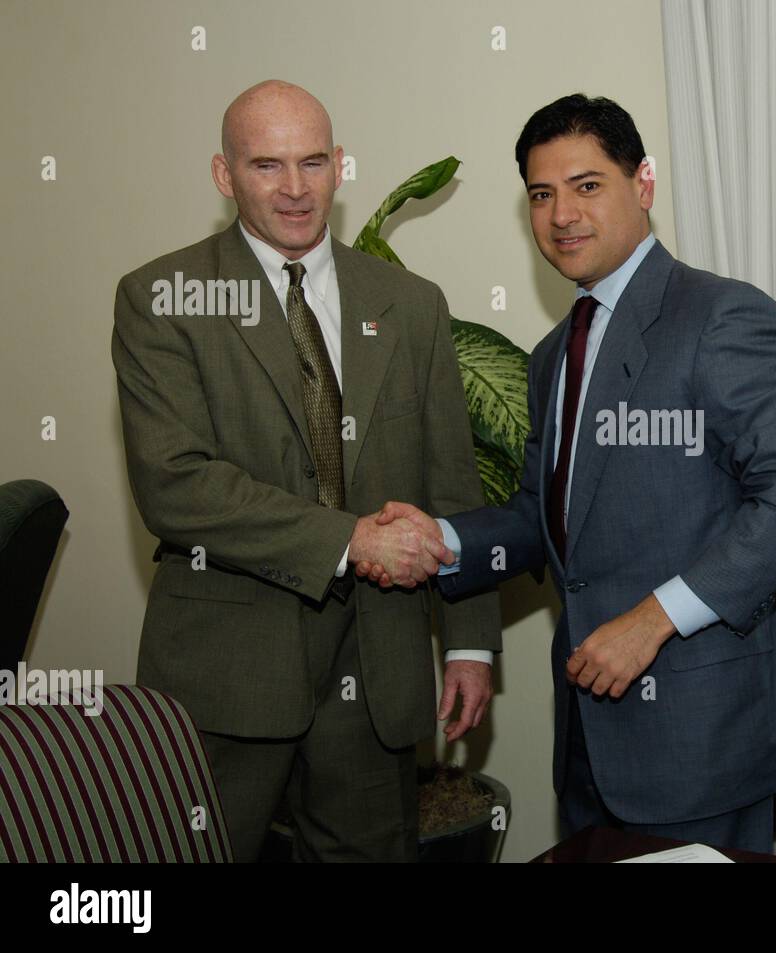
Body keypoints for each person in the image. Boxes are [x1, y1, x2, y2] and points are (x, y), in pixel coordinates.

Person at [361, 94, 776, 853]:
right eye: (541, 194)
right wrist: (443, 538)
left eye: (588, 185)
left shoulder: (723, 317)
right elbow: (539, 517)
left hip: (699, 744)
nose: (561, 214)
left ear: (642, 184)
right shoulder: (555, 355)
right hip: (588, 741)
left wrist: (652, 620)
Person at [111, 80, 499, 862]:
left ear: (340, 165)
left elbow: (451, 481)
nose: (295, 189)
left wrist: (469, 643)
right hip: (226, 676)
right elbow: (176, 484)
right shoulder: (163, 299)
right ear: (225, 176)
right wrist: (351, 539)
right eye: (266, 165)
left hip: (377, 668)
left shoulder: (410, 303)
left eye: (313, 162)